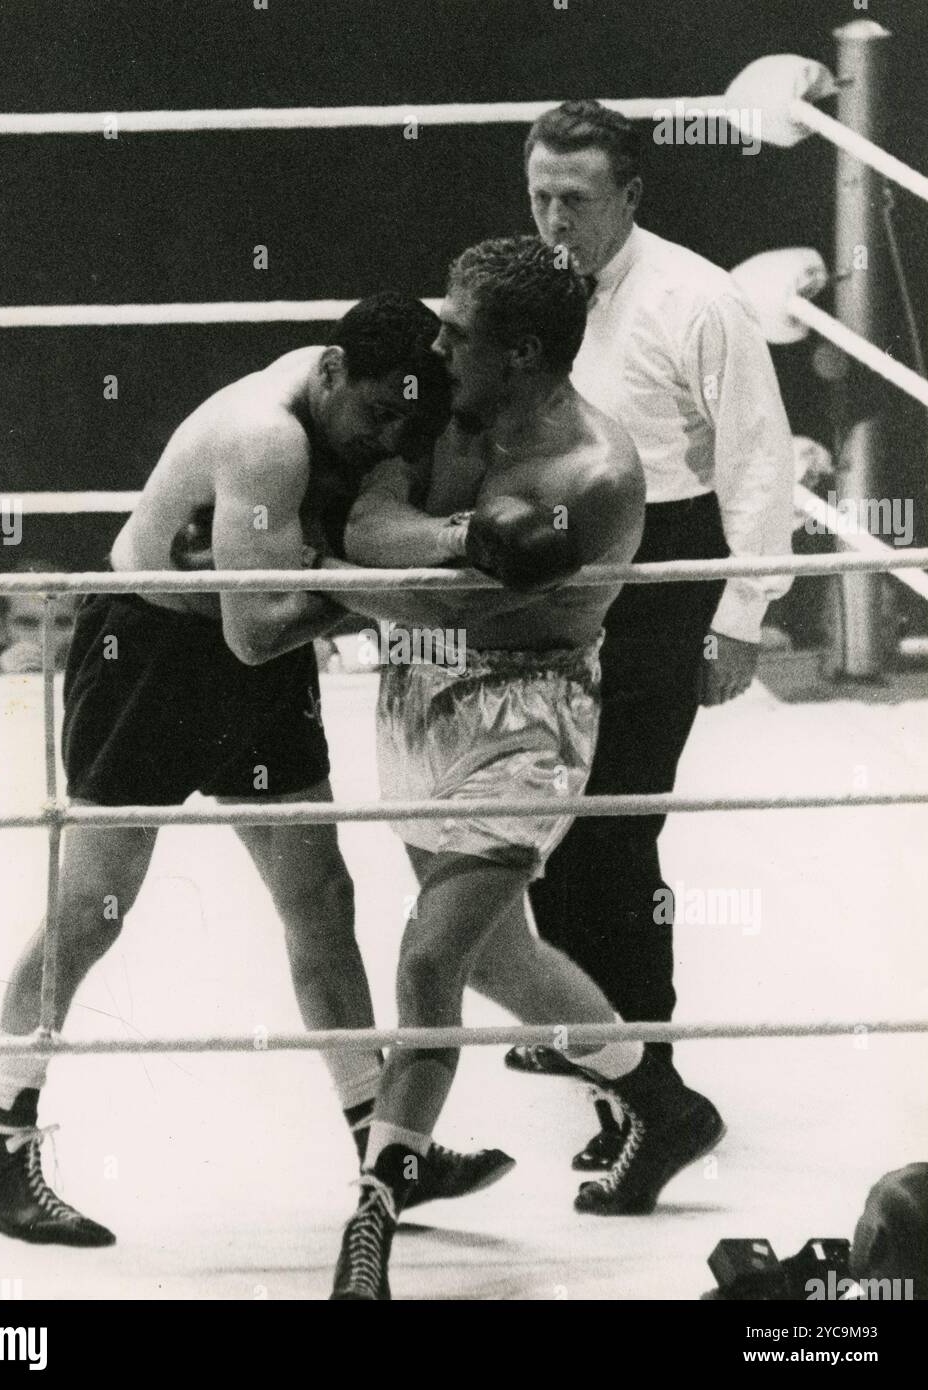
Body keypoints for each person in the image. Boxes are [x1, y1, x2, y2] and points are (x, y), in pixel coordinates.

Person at [0, 294, 510, 1248]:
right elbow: (256, 632)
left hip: (244, 667)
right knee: (91, 912)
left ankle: (385, 1152)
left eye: (403, 418)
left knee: (320, 896)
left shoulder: (348, 392)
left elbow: (274, 612)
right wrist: (378, 592)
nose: (387, 437)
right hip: (150, 657)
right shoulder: (267, 438)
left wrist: (336, 567)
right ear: (333, 372)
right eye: (376, 413)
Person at [326, 237, 722, 1302]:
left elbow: (451, 600)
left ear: (527, 351)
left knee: (426, 962)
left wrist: (313, 581)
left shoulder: (591, 476)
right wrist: (448, 534)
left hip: (527, 722)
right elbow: (369, 520)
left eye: (462, 330)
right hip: (414, 697)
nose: (438, 340)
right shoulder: (441, 406)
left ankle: (371, 1220)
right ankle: (663, 1099)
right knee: (502, 963)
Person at [505, 101, 794, 1171]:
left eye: (575, 200)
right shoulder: (522, 292)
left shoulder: (697, 300)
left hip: (659, 571)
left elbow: (759, 462)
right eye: (538, 194)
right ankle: (602, 1063)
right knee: (543, 824)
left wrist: (742, 615)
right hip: (547, 562)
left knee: (617, 832)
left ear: (631, 194)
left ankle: (652, 1084)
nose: (552, 219)